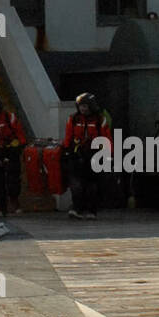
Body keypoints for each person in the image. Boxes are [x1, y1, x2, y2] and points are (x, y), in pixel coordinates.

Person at [61, 91, 113, 221]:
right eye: (80, 106)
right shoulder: (73, 119)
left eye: (85, 106)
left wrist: (109, 154)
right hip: (76, 154)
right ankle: (76, 208)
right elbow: (68, 136)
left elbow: (107, 138)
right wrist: (66, 150)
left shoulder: (100, 120)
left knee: (92, 185)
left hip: (94, 155)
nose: (83, 108)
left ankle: (91, 210)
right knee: (75, 184)